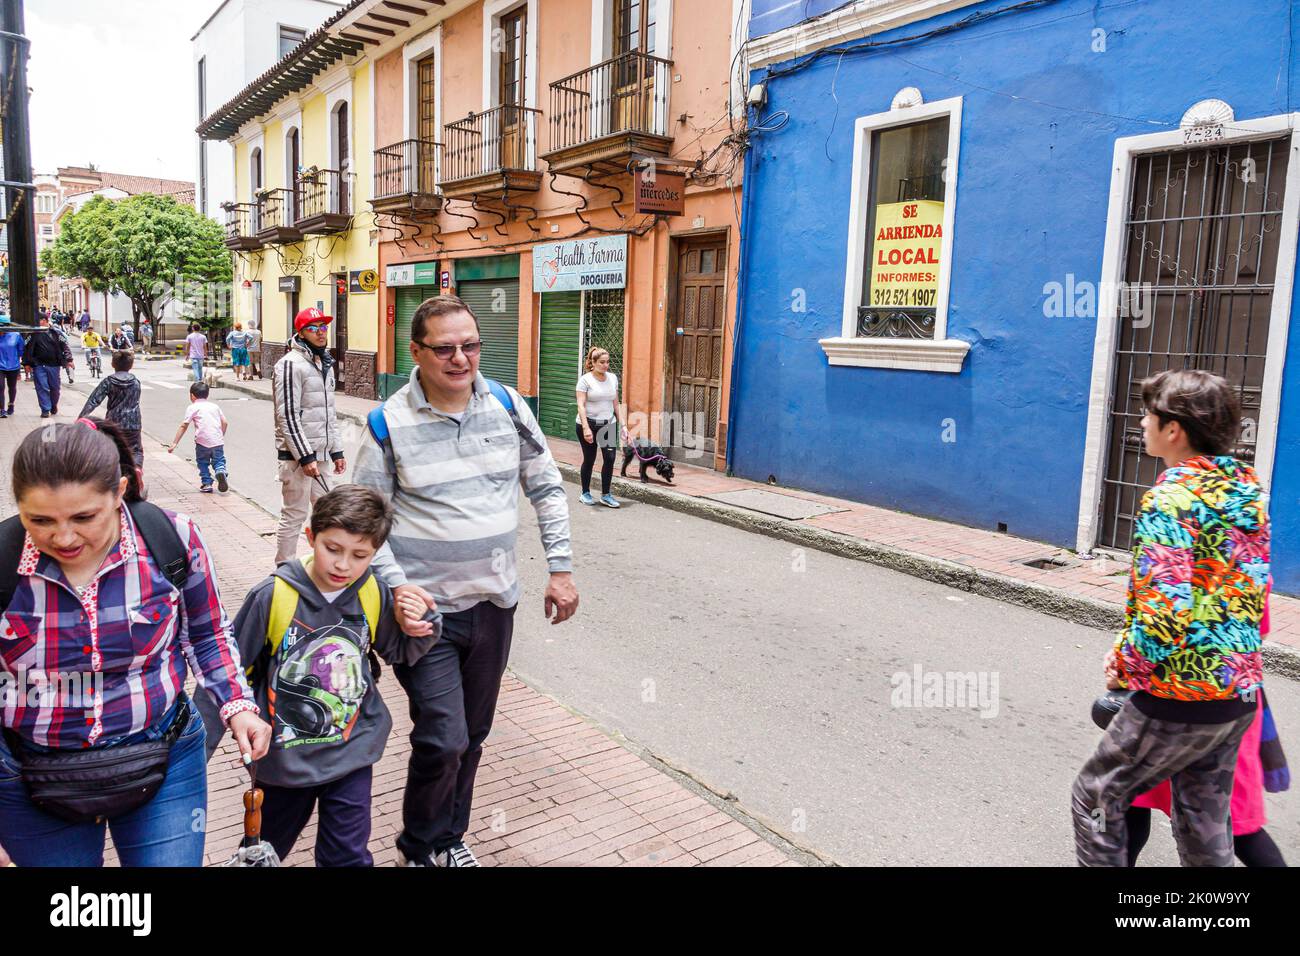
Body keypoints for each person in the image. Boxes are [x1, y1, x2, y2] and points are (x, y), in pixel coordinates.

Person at [353, 294, 577, 868]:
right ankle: (419, 846)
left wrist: (561, 568)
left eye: (471, 345)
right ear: (416, 352)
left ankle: (449, 839)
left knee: (472, 735)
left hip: (494, 605)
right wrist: (398, 589)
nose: (461, 358)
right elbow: (365, 522)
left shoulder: (507, 405)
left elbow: (546, 487)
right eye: (445, 348)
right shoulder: (387, 423)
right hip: (422, 612)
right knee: (443, 737)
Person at [0, 418, 271, 867]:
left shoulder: (171, 539)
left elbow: (207, 634)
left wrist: (237, 705)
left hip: (165, 757)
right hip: (29, 773)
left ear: (120, 490)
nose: (64, 538)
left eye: (84, 517)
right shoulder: (4, 559)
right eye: (40, 520)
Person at [1072, 369, 1268, 867]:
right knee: (1205, 832)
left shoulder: (1172, 497)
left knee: (1096, 796)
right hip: (1237, 692)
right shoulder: (1247, 492)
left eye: (1148, 415)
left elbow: (1164, 614)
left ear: (1174, 429)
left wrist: (1124, 662)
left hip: (1179, 693)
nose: (1141, 423)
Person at [212, 485, 439, 866]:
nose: (343, 565)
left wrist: (423, 624)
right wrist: (191, 759)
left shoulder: (373, 591)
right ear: (311, 537)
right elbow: (227, 670)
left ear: (375, 554)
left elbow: (397, 652)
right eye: (332, 549)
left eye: (359, 555)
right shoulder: (272, 595)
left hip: (350, 754)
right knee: (261, 854)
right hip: (284, 764)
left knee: (347, 857)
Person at [272, 307, 346, 565]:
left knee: (328, 513)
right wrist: (304, 456)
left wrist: (336, 451)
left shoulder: (324, 364)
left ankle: (323, 564)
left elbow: (329, 412)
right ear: (301, 333)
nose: (321, 332)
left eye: (323, 327)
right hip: (297, 460)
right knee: (294, 514)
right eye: (314, 328)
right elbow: (288, 415)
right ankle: (284, 568)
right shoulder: (290, 365)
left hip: (321, 456)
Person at [575, 346, 627, 508]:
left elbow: (616, 404)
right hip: (588, 423)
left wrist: (623, 425)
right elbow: (581, 405)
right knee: (589, 459)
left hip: (608, 424)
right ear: (593, 363)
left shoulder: (612, 378)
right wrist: (585, 428)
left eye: (607, 362)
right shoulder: (585, 380)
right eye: (602, 362)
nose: (606, 365)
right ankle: (585, 493)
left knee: (610, 459)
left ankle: (606, 495)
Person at [79, 350, 144, 468]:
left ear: (113, 364)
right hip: (133, 423)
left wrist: (81, 418)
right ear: (131, 365)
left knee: (112, 449)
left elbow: (94, 400)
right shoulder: (135, 382)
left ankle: (115, 473)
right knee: (136, 450)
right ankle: (137, 469)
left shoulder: (109, 381)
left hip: (113, 423)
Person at [168, 382, 229, 494]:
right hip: (217, 440)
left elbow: (184, 425)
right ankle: (220, 471)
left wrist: (175, 443)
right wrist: (220, 435)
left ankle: (206, 483)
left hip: (202, 441)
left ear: (192, 395)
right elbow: (225, 422)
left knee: (202, 462)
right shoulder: (214, 406)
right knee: (219, 460)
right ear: (207, 394)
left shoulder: (192, 407)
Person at [22, 312, 73, 418]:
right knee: (41, 387)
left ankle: (53, 405)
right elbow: (26, 349)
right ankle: (45, 409)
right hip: (38, 365)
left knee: (55, 388)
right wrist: (26, 363)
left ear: (44, 321)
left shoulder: (56, 333)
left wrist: (69, 360)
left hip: (54, 365)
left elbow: (65, 346)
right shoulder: (32, 334)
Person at [0, 316, 23, 418]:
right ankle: (1, 409)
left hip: (13, 366)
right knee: (0, 387)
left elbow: (21, 351)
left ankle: (11, 404)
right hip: (0, 366)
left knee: (12, 387)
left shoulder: (16, 335)